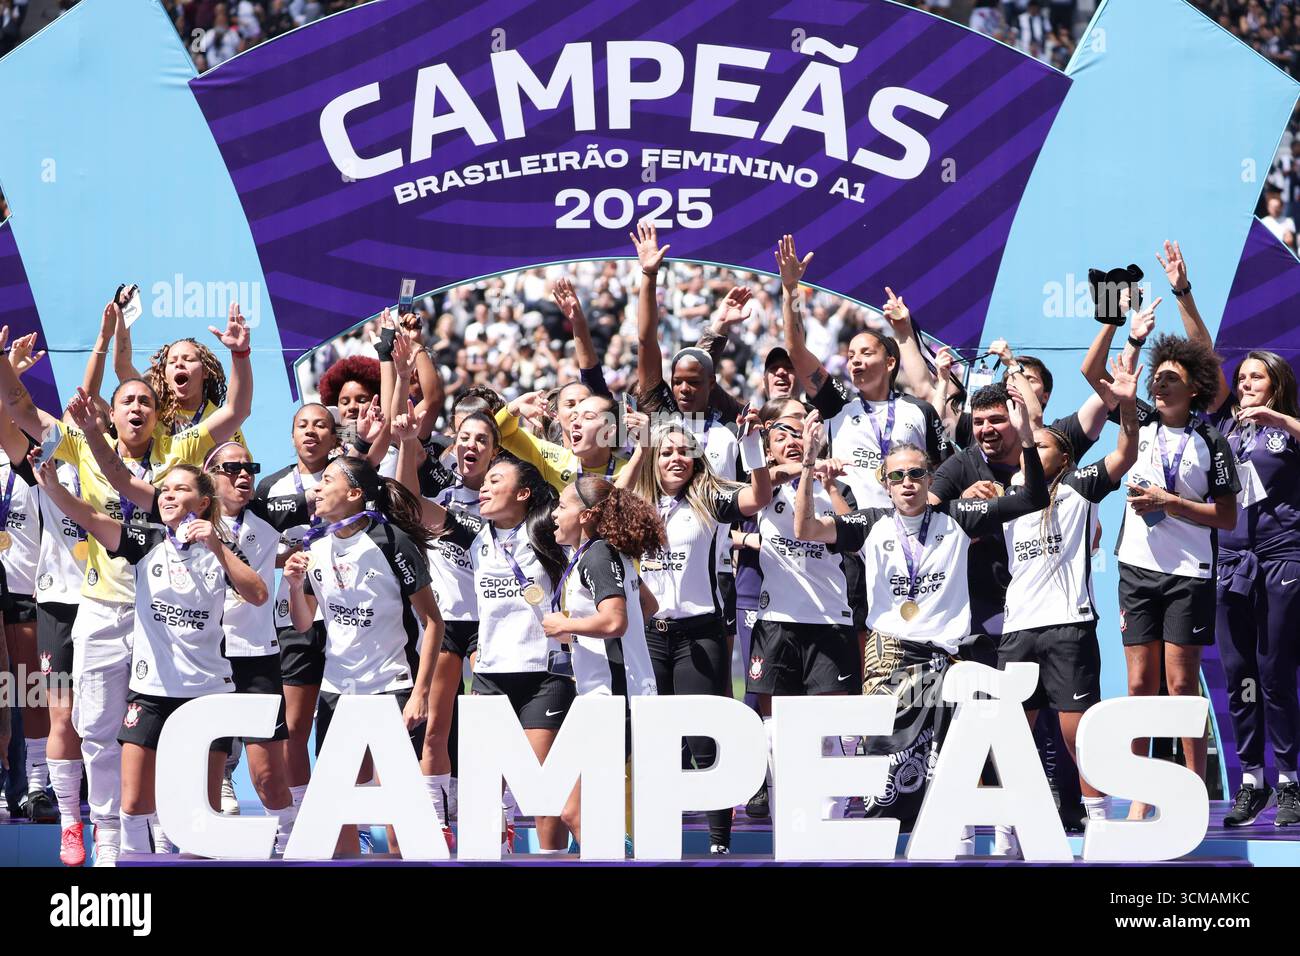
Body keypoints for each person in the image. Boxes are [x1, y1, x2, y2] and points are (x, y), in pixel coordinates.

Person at [0, 308, 251, 867]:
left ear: (160, 413)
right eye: (127, 400)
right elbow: (17, 408)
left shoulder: (178, 453)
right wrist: (1, 365)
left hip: (158, 618)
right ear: (111, 413)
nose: (137, 406)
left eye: (145, 400)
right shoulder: (85, 445)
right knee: (96, 729)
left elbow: (236, 409)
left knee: (153, 732)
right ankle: (103, 840)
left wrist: (239, 355)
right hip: (97, 608)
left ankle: (163, 837)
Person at [792, 394, 1048, 833]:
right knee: (886, 770)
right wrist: (807, 467)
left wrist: (1026, 438)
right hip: (890, 655)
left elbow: (1033, 499)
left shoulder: (958, 516)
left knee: (942, 771)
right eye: (898, 477)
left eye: (916, 474)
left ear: (930, 477)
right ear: (886, 484)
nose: (907, 483)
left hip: (947, 659)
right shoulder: (871, 522)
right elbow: (806, 529)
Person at [34, 460, 268, 857]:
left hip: (205, 696)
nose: (170, 494)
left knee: (200, 816)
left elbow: (259, 593)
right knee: (135, 803)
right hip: (151, 694)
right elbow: (89, 518)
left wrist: (217, 545)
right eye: (166, 489)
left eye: (181, 488)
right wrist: (54, 488)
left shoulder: (221, 547)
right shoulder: (145, 541)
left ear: (205, 501)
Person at [1083, 310, 1239, 815]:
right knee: (1137, 684)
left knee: (1179, 685)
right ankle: (1142, 791)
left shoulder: (1211, 440)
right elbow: (1092, 373)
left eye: (1172, 377)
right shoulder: (1139, 419)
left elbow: (1227, 517)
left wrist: (1169, 502)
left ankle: (1194, 790)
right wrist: (1116, 325)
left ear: (1195, 389)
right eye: (1157, 376)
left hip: (1187, 574)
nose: (1160, 383)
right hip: (1136, 568)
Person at [993, 355, 1141, 855]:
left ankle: (1099, 827)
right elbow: (1022, 429)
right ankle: (1008, 830)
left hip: (1068, 629)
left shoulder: (1081, 488)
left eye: (1046, 445)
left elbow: (1125, 451)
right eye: (1031, 446)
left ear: (1065, 456)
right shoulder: (1009, 495)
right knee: (1010, 738)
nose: (1034, 448)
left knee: (1080, 738)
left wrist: (1124, 406)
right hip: (1018, 632)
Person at [615, 416, 772, 853]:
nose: (676, 458)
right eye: (667, 452)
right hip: (648, 636)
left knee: (704, 738)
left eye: (684, 451)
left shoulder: (707, 497)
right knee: (653, 742)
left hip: (699, 635)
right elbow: (608, 502)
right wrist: (642, 446)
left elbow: (759, 496)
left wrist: (753, 447)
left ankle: (720, 841)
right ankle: (656, 836)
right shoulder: (638, 502)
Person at [409, 449, 573, 854]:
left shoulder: (550, 530)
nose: (484, 487)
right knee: (484, 790)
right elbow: (411, 506)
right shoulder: (474, 531)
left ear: (523, 494)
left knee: (542, 790)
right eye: (485, 481)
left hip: (543, 674)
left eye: (496, 480)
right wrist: (408, 438)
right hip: (490, 675)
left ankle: (554, 862)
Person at [282, 456, 443, 856]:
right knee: (339, 808)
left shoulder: (392, 543)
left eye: (328, 480)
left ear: (355, 494)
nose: (317, 488)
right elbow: (304, 624)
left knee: (399, 813)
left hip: (391, 688)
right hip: (338, 691)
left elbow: (433, 623)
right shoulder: (314, 549)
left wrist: (421, 693)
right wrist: (293, 584)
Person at [745, 399, 863, 824]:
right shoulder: (765, 487)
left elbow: (855, 536)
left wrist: (823, 478)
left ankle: (829, 826)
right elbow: (763, 475)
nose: (794, 441)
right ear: (770, 447)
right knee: (779, 736)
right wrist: (804, 461)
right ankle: (786, 828)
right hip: (777, 624)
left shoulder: (836, 487)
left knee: (829, 733)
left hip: (830, 623)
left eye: (801, 432)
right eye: (783, 435)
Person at [392, 402, 500, 843]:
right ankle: (438, 819)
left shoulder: (506, 496)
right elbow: (404, 501)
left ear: (496, 452)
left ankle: (499, 817)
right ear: (454, 446)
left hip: (495, 624)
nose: (471, 445)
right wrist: (405, 440)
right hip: (448, 624)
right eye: (465, 438)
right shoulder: (441, 498)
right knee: (435, 728)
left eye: (482, 440)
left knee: (494, 727)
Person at [776, 235, 943, 511]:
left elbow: (942, 469)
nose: (855, 362)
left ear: (890, 363)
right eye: (851, 356)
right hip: (852, 537)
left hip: (911, 533)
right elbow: (796, 351)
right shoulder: (837, 404)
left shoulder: (920, 410)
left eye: (866, 353)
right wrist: (790, 288)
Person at [543, 475, 663, 847]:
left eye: (562, 506)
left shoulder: (597, 553)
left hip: (614, 698)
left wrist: (568, 625)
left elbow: (615, 620)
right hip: (614, 696)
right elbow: (648, 606)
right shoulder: (609, 552)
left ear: (586, 515)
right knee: (584, 809)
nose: (553, 515)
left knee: (575, 811)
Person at [1208, 351, 1300, 827]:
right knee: (1240, 673)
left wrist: (1278, 418)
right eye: (1241, 377)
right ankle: (1252, 780)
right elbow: (1204, 355)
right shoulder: (1225, 427)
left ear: (1276, 383)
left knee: (1274, 672)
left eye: (1255, 377)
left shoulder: (1289, 428)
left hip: (1282, 558)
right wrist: (1183, 290)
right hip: (1230, 562)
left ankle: (1290, 781)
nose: (1245, 384)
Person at [254, 403, 337, 815]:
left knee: (343, 730)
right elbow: (254, 553)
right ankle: (304, 817)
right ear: (291, 437)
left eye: (321, 425)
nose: (311, 432)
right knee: (294, 729)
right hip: (294, 620)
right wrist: (291, 558)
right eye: (302, 425)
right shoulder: (270, 487)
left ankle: (349, 820)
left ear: (334, 435)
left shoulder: (350, 479)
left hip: (350, 621)